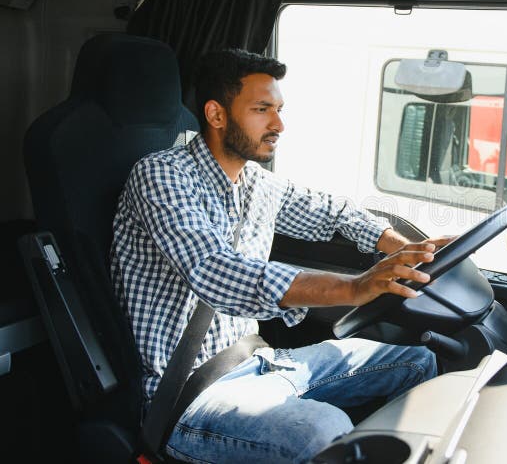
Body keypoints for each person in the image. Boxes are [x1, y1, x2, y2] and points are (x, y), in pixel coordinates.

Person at [110, 48, 444, 463]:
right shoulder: (160, 174)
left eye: (280, 109)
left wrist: (403, 245)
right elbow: (214, 269)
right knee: (326, 431)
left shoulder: (255, 182)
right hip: (188, 396)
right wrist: (354, 287)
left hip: (259, 361)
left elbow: (330, 211)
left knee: (419, 364)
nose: (279, 124)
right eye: (262, 109)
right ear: (217, 115)